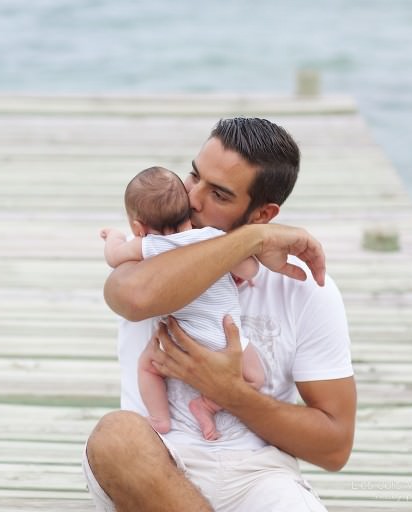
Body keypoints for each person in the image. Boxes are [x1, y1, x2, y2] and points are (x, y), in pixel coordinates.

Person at [83, 117, 356, 511]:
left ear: (263, 213)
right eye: (194, 176)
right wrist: (251, 239)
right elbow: (133, 298)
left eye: (220, 195)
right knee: (116, 436)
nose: (192, 199)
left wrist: (229, 392)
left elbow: (334, 447)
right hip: (157, 469)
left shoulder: (307, 291)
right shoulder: (154, 248)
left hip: (258, 476)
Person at [99, 165, 264, 441]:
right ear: (188, 210)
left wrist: (113, 237)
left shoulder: (148, 246)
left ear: (138, 227)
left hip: (181, 340)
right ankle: (206, 405)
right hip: (226, 336)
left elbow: (114, 257)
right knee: (256, 378)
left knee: (147, 367)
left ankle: (160, 418)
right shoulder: (213, 239)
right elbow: (250, 271)